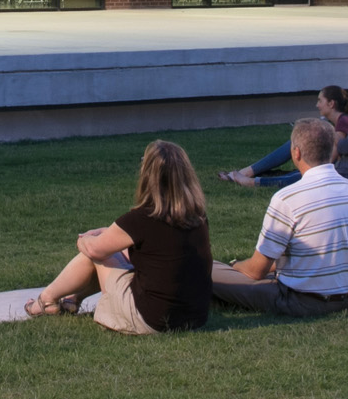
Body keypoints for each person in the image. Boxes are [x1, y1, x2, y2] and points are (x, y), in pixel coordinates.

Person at [22, 138, 215, 334]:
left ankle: (45, 301)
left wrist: (85, 238)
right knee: (114, 252)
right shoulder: (197, 217)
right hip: (194, 318)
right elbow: (150, 247)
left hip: (151, 319)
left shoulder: (143, 218)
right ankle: (72, 299)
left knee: (97, 256)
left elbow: (95, 250)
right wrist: (104, 233)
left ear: (148, 174)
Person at [208, 116, 348, 318]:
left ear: (296, 152)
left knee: (207, 267)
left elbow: (256, 271)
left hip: (301, 300)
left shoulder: (288, 198)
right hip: (347, 299)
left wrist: (235, 266)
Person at [221, 87, 348, 189]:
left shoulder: (344, 121)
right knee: (295, 148)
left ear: (331, 104)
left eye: (320, 100)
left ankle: (250, 179)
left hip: (335, 172)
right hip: (333, 169)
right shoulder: (340, 122)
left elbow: (329, 160)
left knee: (297, 174)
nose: (317, 105)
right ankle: (248, 173)